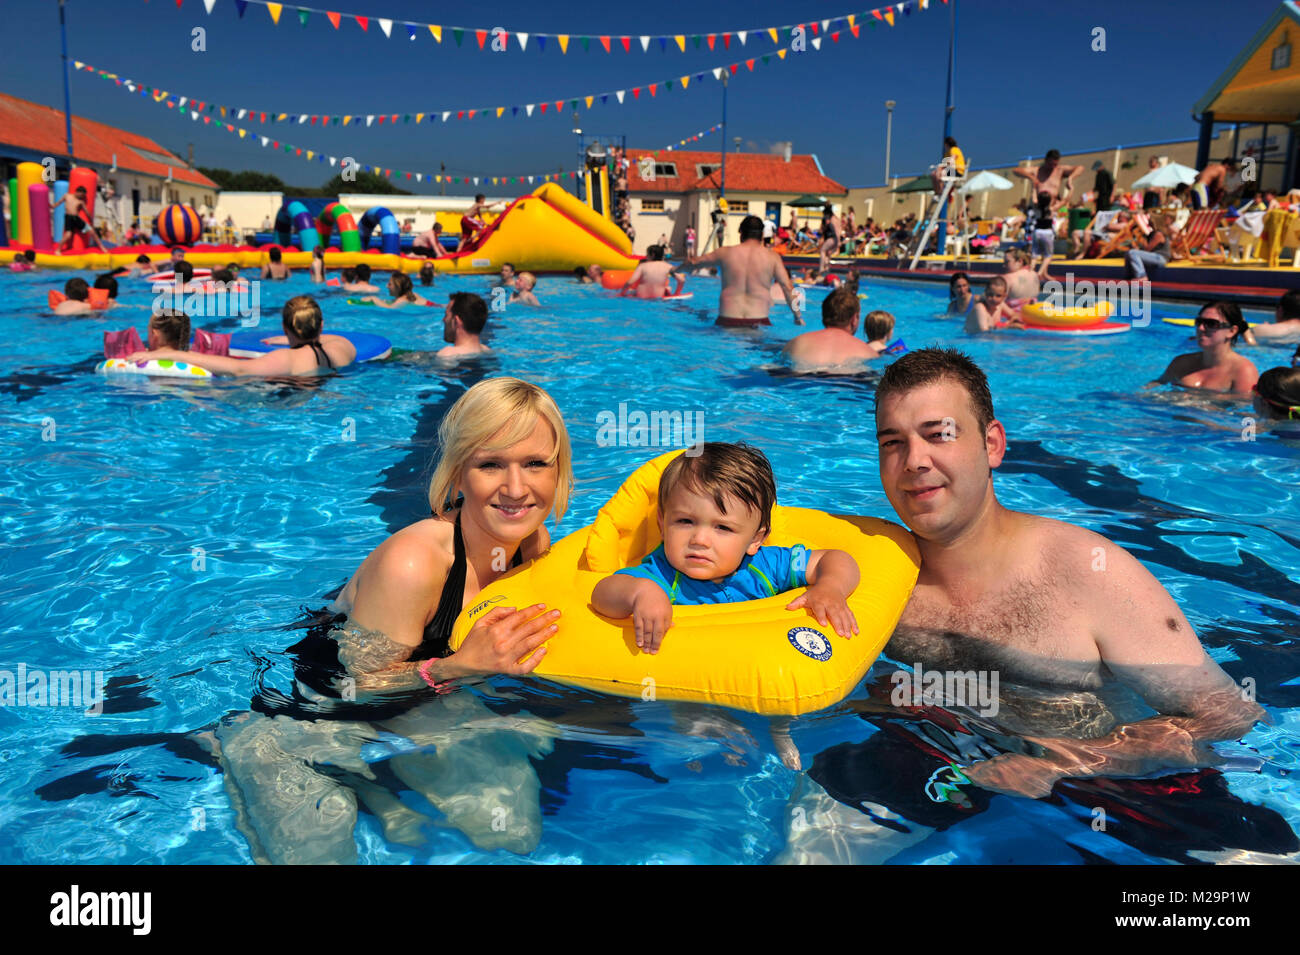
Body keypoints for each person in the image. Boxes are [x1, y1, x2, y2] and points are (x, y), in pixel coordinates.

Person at [778, 348, 1281, 864]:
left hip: (1113, 785)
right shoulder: (869, 575)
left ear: (992, 444)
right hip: (932, 751)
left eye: (939, 434)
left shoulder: (1086, 572)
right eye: (893, 442)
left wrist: (1067, 761)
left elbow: (1228, 714)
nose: (915, 461)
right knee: (807, 856)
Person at [211, 377, 573, 862]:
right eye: (490, 465)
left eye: (535, 464)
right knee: (320, 847)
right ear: (459, 473)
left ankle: (377, 789)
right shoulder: (414, 562)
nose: (515, 488)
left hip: (423, 699)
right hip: (308, 714)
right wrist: (457, 668)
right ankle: (231, 742)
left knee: (512, 832)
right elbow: (361, 685)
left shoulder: (534, 545)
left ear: (559, 471)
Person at [591, 442, 859, 656]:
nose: (700, 539)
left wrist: (829, 587)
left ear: (756, 539)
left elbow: (837, 559)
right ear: (663, 523)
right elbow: (602, 593)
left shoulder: (766, 565)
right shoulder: (661, 576)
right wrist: (640, 593)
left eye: (723, 528)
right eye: (685, 521)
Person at [130, 294, 356, 376]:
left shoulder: (285, 359)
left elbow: (236, 368)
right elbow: (330, 338)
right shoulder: (341, 349)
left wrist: (171, 355)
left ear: (285, 327)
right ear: (321, 325)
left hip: (290, 407)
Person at [676, 214, 802, 327]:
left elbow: (693, 263)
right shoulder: (772, 257)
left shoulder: (725, 253)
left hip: (727, 321)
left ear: (741, 232)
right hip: (758, 322)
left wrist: (675, 270)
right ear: (762, 235)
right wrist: (797, 317)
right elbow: (787, 287)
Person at [1149, 301, 1259, 395]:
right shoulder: (1181, 363)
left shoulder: (1243, 371)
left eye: (1211, 324)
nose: (1201, 328)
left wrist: (1194, 400)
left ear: (1232, 331)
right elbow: (1158, 384)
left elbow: (1245, 407)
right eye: (1199, 322)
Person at [783, 287, 881, 370]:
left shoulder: (795, 344)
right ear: (854, 319)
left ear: (824, 314)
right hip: (848, 384)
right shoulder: (869, 353)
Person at [1011, 149, 1083, 209]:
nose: (1052, 167)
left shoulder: (1060, 170)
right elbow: (1016, 170)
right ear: (1046, 160)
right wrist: (1031, 177)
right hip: (1037, 208)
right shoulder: (1036, 171)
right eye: (1050, 164)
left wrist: (1071, 178)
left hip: (1051, 208)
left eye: (1055, 164)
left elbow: (1080, 168)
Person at [51, 185, 107, 252]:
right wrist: (52, 206)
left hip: (76, 219)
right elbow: (59, 202)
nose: (81, 197)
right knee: (68, 235)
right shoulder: (67, 196)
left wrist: (91, 220)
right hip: (69, 218)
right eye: (81, 195)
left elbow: (86, 211)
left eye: (83, 196)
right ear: (78, 192)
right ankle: (58, 249)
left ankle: (102, 247)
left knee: (92, 231)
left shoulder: (80, 202)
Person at [438, 291, 491, 359]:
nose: (443, 319)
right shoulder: (487, 351)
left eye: (446, 315)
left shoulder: (447, 354)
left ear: (457, 321)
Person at [1124, 217, 1171, 281]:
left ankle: (1142, 276)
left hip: (1160, 258)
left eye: (1150, 223)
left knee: (1132, 253)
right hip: (1154, 256)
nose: (1149, 225)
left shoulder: (1159, 234)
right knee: (1128, 253)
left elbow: (1148, 249)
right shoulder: (1152, 234)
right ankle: (1129, 277)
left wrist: (1142, 237)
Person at [1026, 193, 1056, 280]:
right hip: (1047, 232)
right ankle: (1040, 272)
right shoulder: (1052, 209)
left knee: (1034, 254)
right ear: (1050, 201)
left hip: (1037, 232)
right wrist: (1071, 190)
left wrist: (1034, 188)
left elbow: (1033, 198)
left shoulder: (1036, 208)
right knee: (1048, 255)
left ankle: (1031, 272)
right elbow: (1065, 200)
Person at [361, 272, 430, 308]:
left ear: (398, 287)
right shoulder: (410, 295)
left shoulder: (403, 299)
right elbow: (394, 303)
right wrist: (383, 301)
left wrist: (374, 299)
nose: (386, 286)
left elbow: (390, 308)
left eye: (390, 284)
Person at [818, 205, 842, 274]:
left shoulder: (832, 220)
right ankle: (827, 268)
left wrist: (838, 242)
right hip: (834, 239)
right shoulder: (836, 218)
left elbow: (837, 231)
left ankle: (821, 268)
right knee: (828, 253)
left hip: (833, 238)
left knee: (822, 250)